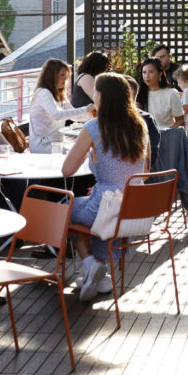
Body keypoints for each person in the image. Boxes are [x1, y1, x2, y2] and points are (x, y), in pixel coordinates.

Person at [62, 72, 149, 302]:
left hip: (107, 205)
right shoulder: (140, 125)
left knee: (65, 208)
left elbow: (67, 170)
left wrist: (88, 151)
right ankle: (99, 278)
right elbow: (144, 170)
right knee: (103, 214)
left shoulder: (94, 126)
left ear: (100, 96)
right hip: (134, 207)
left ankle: (90, 265)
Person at [28, 58, 94, 153]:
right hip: (42, 145)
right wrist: (86, 109)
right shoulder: (44, 92)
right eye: (62, 75)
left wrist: (92, 115)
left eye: (66, 75)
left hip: (55, 142)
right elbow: (57, 115)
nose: (65, 79)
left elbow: (75, 116)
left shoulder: (59, 94)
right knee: (81, 153)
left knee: (86, 151)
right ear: (51, 76)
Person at [137, 56, 182, 129]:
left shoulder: (171, 93)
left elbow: (180, 120)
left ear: (160, 73)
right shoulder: (138, 93)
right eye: (144, 72)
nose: (147, 76)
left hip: (165, 134)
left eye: (151, 72)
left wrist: (168, 132)